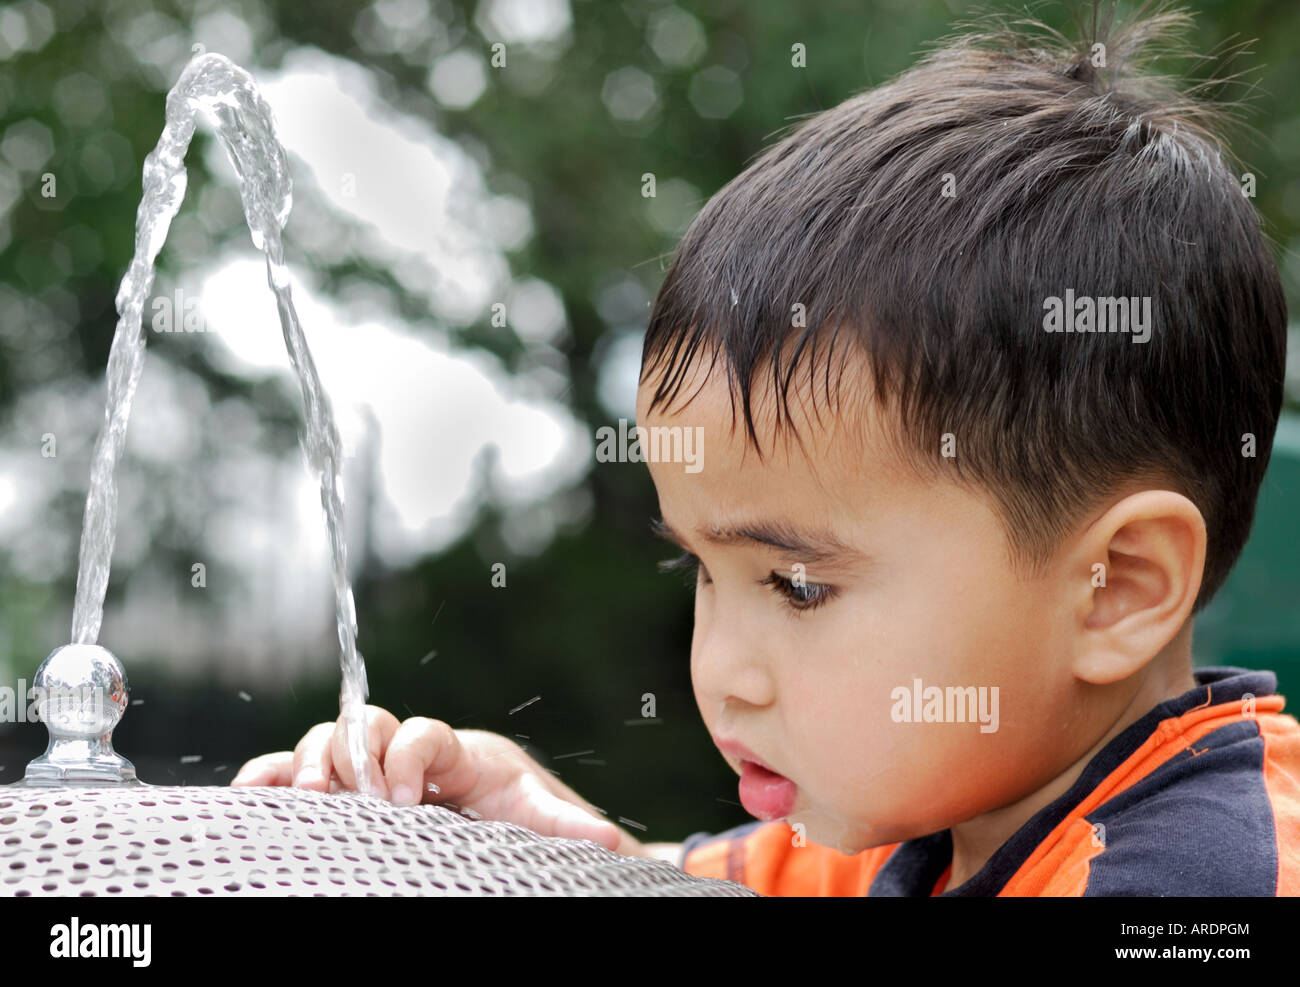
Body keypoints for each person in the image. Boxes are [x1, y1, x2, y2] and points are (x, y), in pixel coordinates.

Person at [234, 5, 1300, 895]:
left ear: (1115, 587)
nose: (720, 676)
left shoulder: (1202, 880)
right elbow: (682, 883)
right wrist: (551, 845)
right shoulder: (927, 819)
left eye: (793, 585)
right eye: (702, 571)